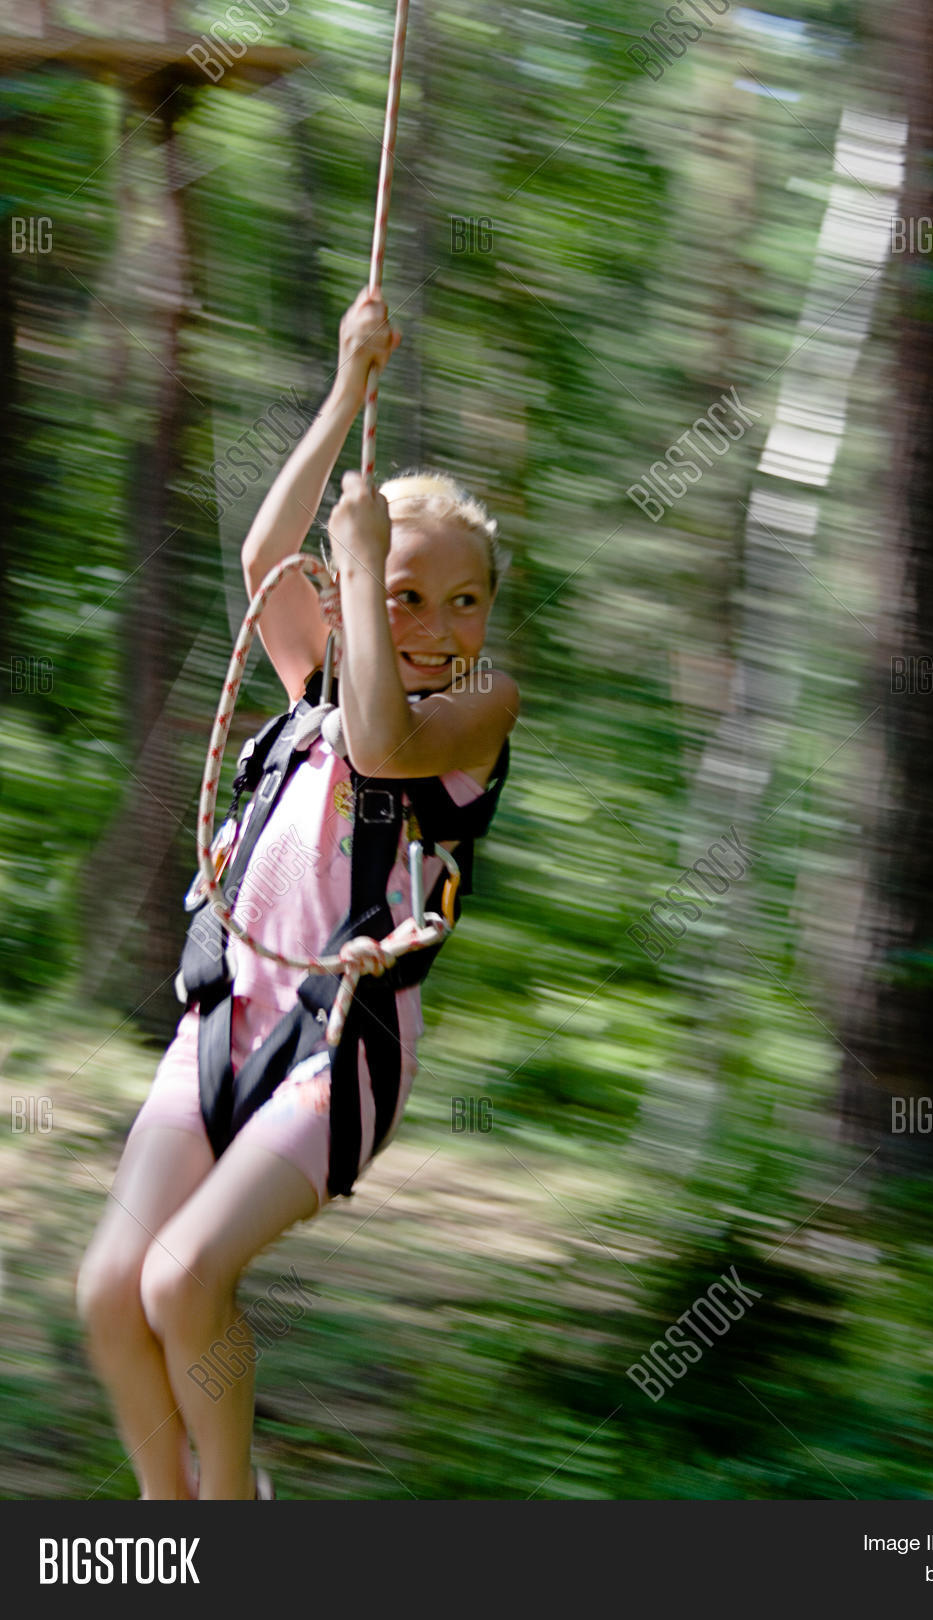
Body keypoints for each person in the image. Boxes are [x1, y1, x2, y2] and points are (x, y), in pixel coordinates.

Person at [75, 289, 518, 1500]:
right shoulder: (318, 677)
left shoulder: (474, 712)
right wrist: (344, 391)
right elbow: (269, 561)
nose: (435, 623)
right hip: (224, 1013)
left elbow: (383, 748)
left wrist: (370, 558)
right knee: (114, 1287)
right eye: (406, 598)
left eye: (462, 599)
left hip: (341, 1044)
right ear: (357, 602)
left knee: (183, 1279)